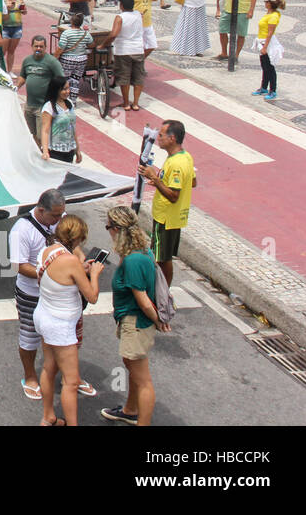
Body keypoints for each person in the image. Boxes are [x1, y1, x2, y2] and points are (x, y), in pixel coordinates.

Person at [101, 206, 170, 425]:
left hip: (135, 323)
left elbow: (142, 300)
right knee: (132, 367)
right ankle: (130, 410)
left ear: (117, 229)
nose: (107, 231)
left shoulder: (132, 260)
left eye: (108, 227)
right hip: (133, 321)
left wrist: (159, 320)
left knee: (143, 380)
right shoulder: (142, 251)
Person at [34, 214, 103, 426]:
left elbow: (61, 275)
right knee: (71, 382)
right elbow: (92, 296)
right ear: (76, 238)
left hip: (44, 317)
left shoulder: (48, 251)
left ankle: (48, 417)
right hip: (61, 326)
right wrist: (96, 274)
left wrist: (80, 270)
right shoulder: (72, 261)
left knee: (48, 368)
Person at [10, 189, 72, 401]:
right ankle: (30, 377)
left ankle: (68, 375)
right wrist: (48, 272)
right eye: (55, 215)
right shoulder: (21, 230)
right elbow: (19, 266)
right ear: (41, 209)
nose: (59, 219)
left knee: (62, 335)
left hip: (57, 293)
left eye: (61, 214)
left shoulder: (60, 219)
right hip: (31, 293)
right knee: (29, 336)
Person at [138, 119, 195, 289]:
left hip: (166, 218)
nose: (158, 138)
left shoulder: (177, 164)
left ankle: (163, 291)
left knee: (162, 258)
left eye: (161, 135)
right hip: (172, 217)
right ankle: (162, 289)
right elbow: (192, 182)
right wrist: (160, 182)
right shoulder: (185, 157)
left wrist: (155, 178)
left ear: (172, 139)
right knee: (163, 255)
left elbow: (173, 196)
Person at [98, 0, 145, 112]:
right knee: (138, 77)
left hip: (123, 51)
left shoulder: (120, 17)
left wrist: (103, 44)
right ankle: (135, 103)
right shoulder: (139, 14)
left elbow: (114, 34)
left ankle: (126, 103)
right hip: (138, 49)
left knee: (124, 77)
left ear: (122, 5)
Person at [16, 35, 62, 136]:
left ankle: (43, 151)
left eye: (41, 47)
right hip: (29, 105)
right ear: (32, 46)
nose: (38, 49)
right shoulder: (27, 61)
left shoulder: (52, 62)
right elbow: (23, 76)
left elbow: (61, 80)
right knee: (31, 135)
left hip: (44, 106)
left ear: (45, 47)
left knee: (42, 136)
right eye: (36, 46)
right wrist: (16, 87)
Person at [39, 76, 80, 164]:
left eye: (68, 88)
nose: (68, 91)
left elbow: (72, 128)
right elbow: (45, 130)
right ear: (56, 90)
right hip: (55, 152)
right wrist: (45, 152)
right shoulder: (49, 107)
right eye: (64, 89)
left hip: (69, 151)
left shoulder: (69, 104)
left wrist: (77, 149)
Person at [252, 0, 284, 99]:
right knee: (264, 66)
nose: (265, 3)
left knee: (269, 67)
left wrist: (265, 47)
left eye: (266, 2)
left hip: (267, 42)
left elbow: (270, 33)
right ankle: (264, 87)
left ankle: (273, 90)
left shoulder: (273, 16)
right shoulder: (270, 13)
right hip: (262, 41)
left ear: (270, 4)